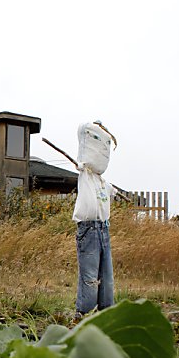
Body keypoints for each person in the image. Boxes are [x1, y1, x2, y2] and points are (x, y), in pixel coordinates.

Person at [71, 120, 117, 321]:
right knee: (89, 277)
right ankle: (83, 313)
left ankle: (106, 312)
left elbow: (112, 192)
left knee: (106, 277)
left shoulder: (102, 182)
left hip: (103, 230)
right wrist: (82, 166)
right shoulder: (85, 173)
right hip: (88, 229)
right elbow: (82, 165)